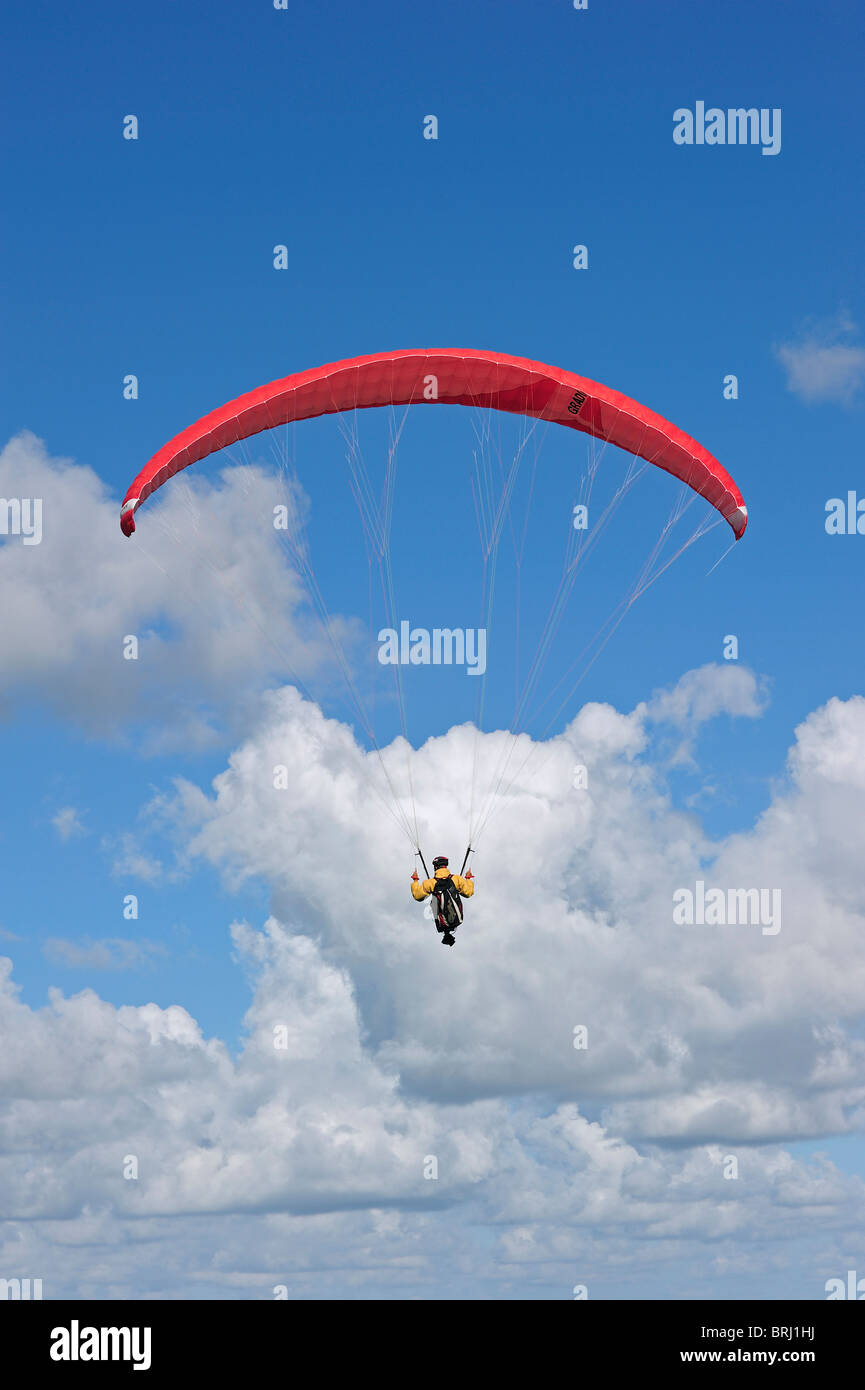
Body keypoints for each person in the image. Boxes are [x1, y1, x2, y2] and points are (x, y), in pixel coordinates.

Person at [411, 855, 475, 946]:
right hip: (453, 920)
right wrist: (468, 879)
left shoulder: (430, 883)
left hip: (443, 922)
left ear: (435, 867)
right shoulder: (456, 879)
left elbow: (417, 896)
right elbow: (469, 893)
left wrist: (415, 881)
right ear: (446, 866)